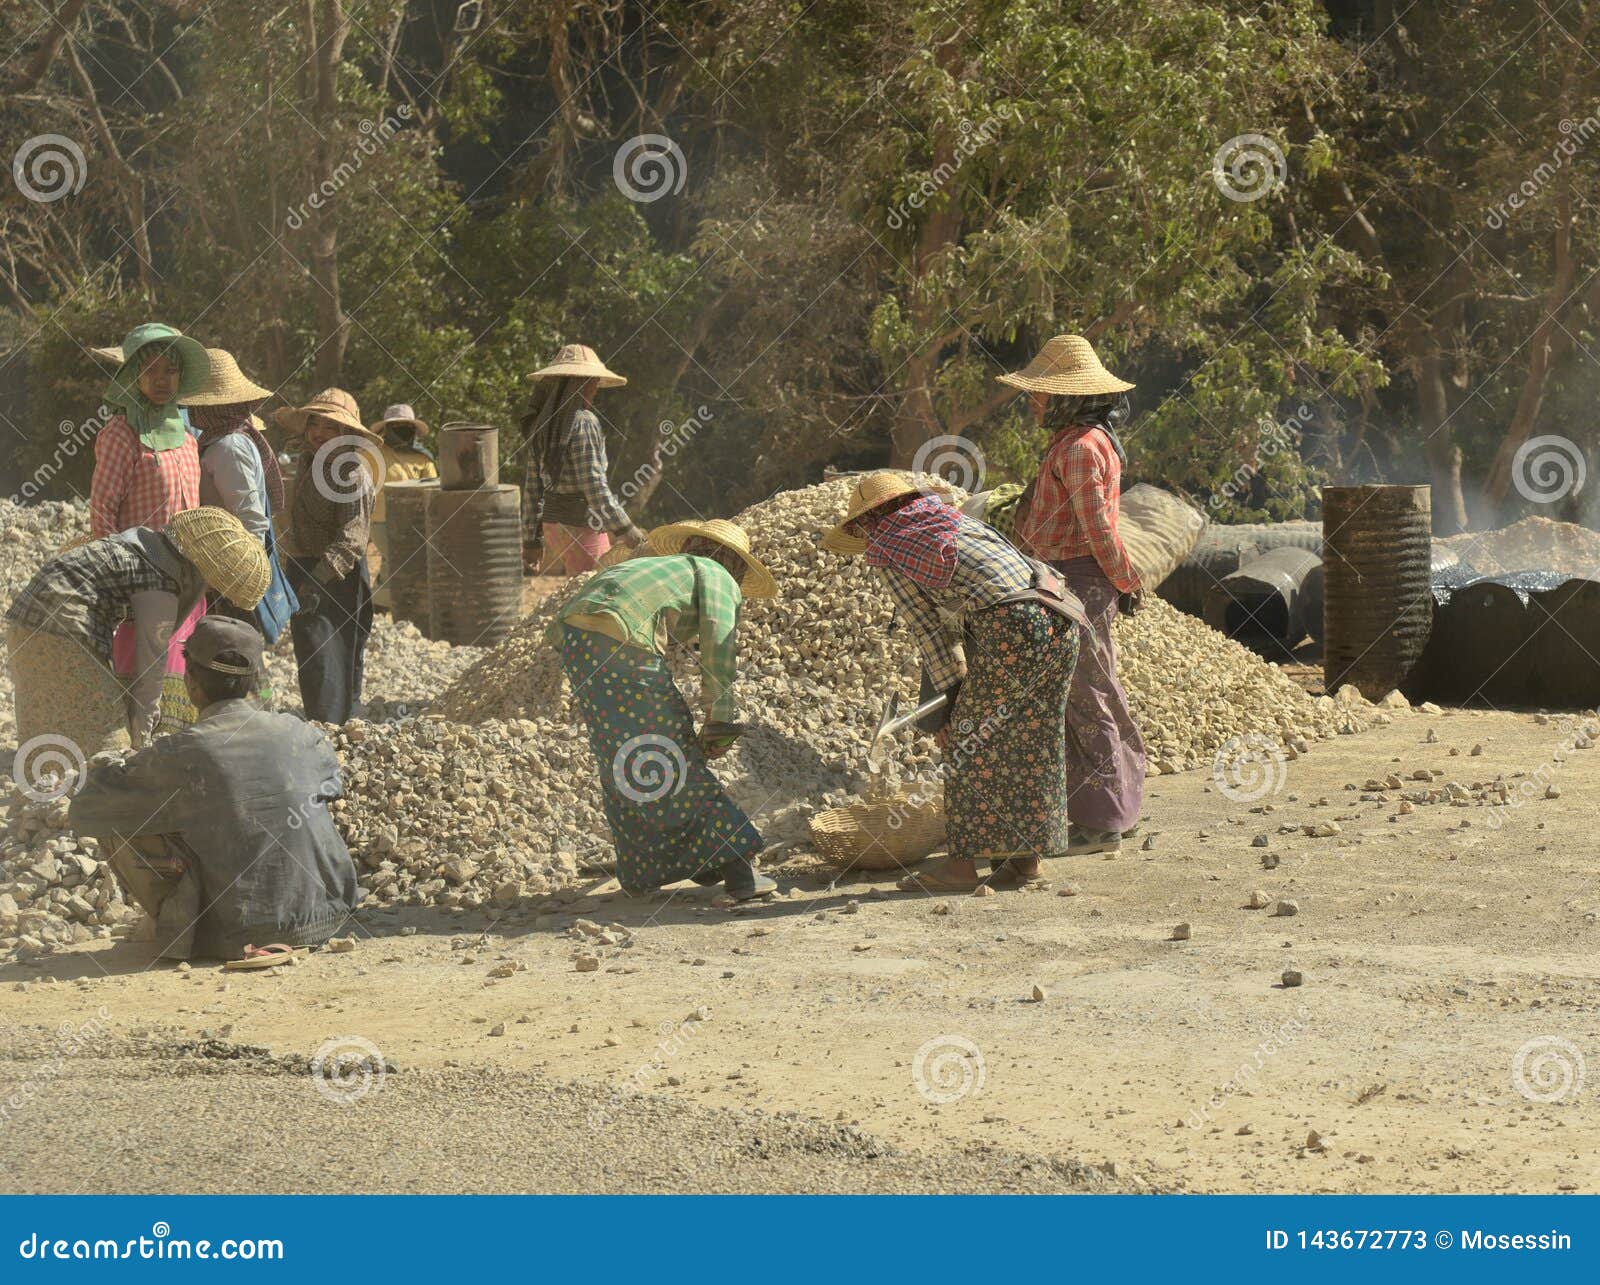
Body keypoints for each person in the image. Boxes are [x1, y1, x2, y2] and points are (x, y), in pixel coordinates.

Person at [822, 473, 1085, 892]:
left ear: (869, 521)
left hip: (1013, 626)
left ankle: (960, 870)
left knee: (967, 741)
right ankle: (1026, 861)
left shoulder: (890, 549)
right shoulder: (954, 521)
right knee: (1030, 739)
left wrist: (952, 708)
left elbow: (932, 634)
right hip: (1059, 617)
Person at [68, 617, 360, 961]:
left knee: (123, 810)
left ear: (191, 681)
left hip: (233, 934)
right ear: (252, 682)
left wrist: (116, 768)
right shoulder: (301, 733)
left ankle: (177, 926)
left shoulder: (184, 750)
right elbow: (332, 785)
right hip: (328, 918)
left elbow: (86, 810)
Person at [548, 519, 778, 901]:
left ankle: (656, 867)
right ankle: (737, 867)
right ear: (735, 565)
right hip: (618, 643)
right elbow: (719, 649)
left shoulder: (662, 568)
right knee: (672, 753)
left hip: (577, 643)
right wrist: (719, 720)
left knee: (625, 757)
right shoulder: (716, 574)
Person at [1004, 334, 1147, 854]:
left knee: (1089, 695)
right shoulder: (1072, 442)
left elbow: (1098, 530)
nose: (1034, 402)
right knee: (1083, 692)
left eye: (1042, 394)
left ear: (1071, 397)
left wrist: (1127, 581)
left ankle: (1106, 821)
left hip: (1080, 582)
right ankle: (1103, 811)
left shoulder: (1084, 448)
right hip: (1059, 577)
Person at [5, 508, 269, 754]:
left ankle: (38, 794)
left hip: (24, 622)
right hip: (63, 632)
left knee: (46, 719)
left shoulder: (144, 547)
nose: (209, 592)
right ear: (201, 573)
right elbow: (150, 670)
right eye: (211, 586)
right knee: (107, 743)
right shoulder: (160, 586)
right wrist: (138, 741)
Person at [90, 323, 210, 734]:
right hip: (141, 577)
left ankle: (170, 751)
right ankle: (133, 757)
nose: (162, 380)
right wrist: (112, 577)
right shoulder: (120, 435)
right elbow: (103, 509)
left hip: (188, 579)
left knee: (180, 666)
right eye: (151, 370)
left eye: (170, 371)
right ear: (133, 376)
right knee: (141, 672)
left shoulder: (188, 438)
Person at [180, 348, 298, 656]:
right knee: (240, 654)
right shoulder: (224, 441)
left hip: (233, 577)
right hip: (228, 574)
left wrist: (239, 583)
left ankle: (258, 703)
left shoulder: (228, 448)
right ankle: (259, 701)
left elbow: (252, 521)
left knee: (236, 656)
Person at [275, 388, 377, 725]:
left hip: (337, 576)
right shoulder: (307, 460)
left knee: (336, 653)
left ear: (346, 434)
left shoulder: (351, 473)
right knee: (311, 653)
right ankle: (321, 724)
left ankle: (339, 729)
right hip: (304, 567)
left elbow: (352, 538)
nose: (319, 433)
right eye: (315, 423)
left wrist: (316, 580)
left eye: (330, 427)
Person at [519, 343, 648, 575]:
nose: (595, 388)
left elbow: (531, 488)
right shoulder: (584, 422)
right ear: (581, 385)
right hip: (581, 527)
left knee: (578, 590)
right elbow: (593, 484)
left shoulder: (542, 426)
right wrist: (625, 528)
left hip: (553, 527)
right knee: (593, 594)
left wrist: (531, 541)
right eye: (592, 382)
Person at [366, 403, 438, 610]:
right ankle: (376, 609)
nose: (401, 429)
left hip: (416, 524)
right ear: (386, 430)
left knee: (397, 565)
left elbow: (433, 490)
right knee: (395, 561)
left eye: (405, 426)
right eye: (396, 426)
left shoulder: (423, 458)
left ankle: (386, 608)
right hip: (382, 520)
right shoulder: (372, 454)